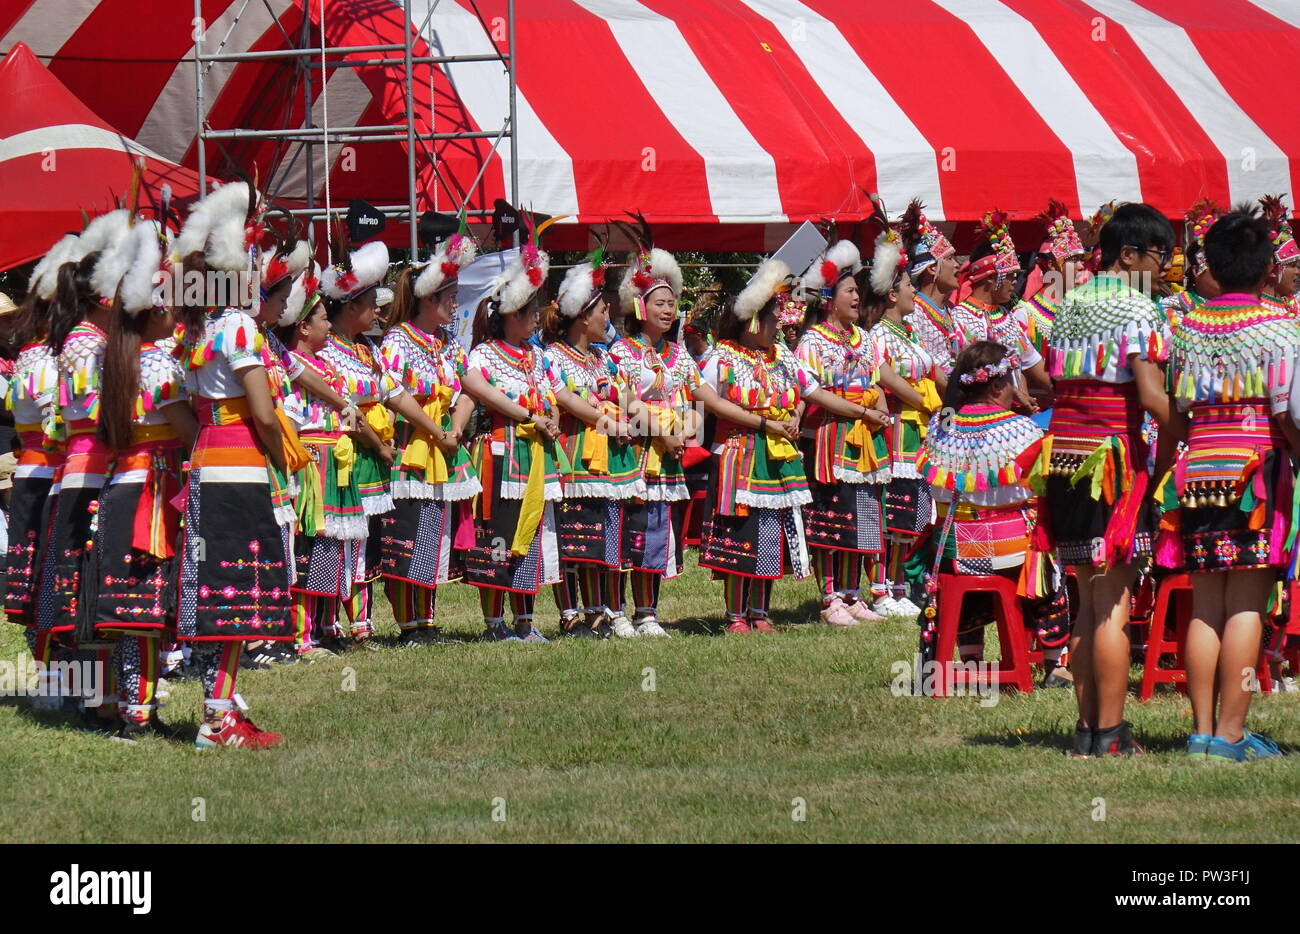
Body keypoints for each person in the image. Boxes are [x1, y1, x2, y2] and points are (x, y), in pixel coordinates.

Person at [1162, 208, 1300, 761]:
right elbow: (1290, 410)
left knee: (1206, 603)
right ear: (1267, 267)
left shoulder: (1187, 326)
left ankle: (1201, 732)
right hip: (1254, 475)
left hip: (1197, 469)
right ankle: (1231, 734)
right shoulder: (1279, 326)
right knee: (1247, 603)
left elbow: (1177, 405)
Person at [1043, 201, 1176, 757]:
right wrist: (1184, 425)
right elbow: (1149, 397)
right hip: (1112, 465)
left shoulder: (1066, 303)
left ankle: (1085, 733)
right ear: (1129, 254)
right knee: (1114, 605)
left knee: (1086, 601)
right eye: (1160, 255)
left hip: (1063, 461)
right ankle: (1112, 734)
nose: (1167, 266)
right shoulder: (1138, 311)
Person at [172, 180, 293, 748]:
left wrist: (206, 441)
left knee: (217, 587)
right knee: (238, 590)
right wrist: (283, 455)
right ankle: (218, 720)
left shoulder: (193, 330)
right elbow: (265, 413)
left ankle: (219, 710)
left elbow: (180, 411)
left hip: (204, 461)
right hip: (240, 462)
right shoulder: (240, 327)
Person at [698, 258, 869, 632]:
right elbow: (707, 398)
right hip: (740, 456)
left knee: (770, 533)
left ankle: (760, 613)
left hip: (778, 459)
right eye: (775, 318)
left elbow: (812, 391)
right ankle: (735, 615)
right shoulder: (723, 355)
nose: (782, 325)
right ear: (756, 320)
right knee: (741, 532)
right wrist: (762, 422)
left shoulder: (784, 356)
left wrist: (801, 415)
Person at [87, 218, 198, 740]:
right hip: (151, 495)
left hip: (117, 487)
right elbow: (188, 431)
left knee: (119, 604)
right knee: (147, 608)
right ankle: (138, 711)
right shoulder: (159, 367)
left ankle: (111, 705)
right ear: (158, 312)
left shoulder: (114, 359)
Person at [319, 239, 456, 646]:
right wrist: (378, 442)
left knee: (364, 540)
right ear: (348, 306)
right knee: (338, 538)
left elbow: (393, 394)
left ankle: (361, 625)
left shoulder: (368, 351)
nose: (378, 311)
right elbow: (343, 407)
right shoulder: (326, 351)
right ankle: (327, 626)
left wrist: (436, 430)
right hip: (344, 456)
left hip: (373, 457)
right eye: (369, 304)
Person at [918, 341, 1068, 674]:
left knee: (963, 579)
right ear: (998, 384)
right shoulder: (1021, 430)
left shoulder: (939, 427)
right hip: (1009, 552)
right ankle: (1054, 663)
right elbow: (1041, 487)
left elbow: (937, 488)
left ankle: (971, 661)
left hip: (951, 551)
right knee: (1050, 560)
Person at [379, 233, 482, 644]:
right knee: (410, 530)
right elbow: (392, 390)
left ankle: (426, 620)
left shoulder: (447, 343)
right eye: (450, 296)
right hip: (412, 450)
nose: (456, 303)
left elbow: (468, 386)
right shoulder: (397, 341)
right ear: (427, 298)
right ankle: (408, 623)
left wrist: (455, 427)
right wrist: (434, 429)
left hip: (443, 446)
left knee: (433, 533)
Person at [461, 242, 564, 642]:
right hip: (503, 456)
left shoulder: (537, 357)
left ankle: (525, 620)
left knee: (535, 533)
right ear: (511, 316)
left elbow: (554, 395)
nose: (537, 318)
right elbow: (474, 388)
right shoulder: (485, 355)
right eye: (531, 312)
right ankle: (493, 622)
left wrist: (551, 420)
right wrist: (529, 417)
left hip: (538, 456)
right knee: (501, 535)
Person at [795, 236, 894, 625]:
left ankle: (853, 594)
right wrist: (859, 412)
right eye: (850, 291)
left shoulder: (865, 339)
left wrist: (881, 413)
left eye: (858, 292)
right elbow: (812, 391)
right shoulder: (812, 341)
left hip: (866, 440)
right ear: (830, 299)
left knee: (863, 514)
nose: (857, 298)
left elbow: (877, 384)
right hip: (830, 438)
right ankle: (829, 597)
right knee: (832, 516)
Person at [542, 252, 641, 638]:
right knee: (575, 533)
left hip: (613, 458)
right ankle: (570, 613)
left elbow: (628, 397)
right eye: (603, 309)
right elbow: (566, 399)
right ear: (583, 317)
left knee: (607, 534)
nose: (608, 315)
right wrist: (607, 421)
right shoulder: (553, 357)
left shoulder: (605, 359)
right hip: (576, 457)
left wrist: (656, 423)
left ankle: (602, 611)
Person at [279, 268, 365, 660]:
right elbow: (293, 419)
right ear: (302, 327)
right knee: (310, 544)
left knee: (332, 544)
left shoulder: (324, 364)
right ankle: (300, 635)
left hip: (337, 458)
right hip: (313, 460)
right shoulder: (293, 365)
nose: (330, 324)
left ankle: (323, 627)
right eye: (323, 318)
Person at [4, 233, 74, 705]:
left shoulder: (33, 356)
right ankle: (50, 679)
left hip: (39, 473)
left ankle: (56, 676)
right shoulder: (46, 358)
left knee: (46, 578)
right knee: (50, 577)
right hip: (48, 474)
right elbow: (57, 424)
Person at [865, 224, 941, 621]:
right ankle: (881, 588)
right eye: (910, 286)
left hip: (918, 433)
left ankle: (898, 585)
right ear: (892, 294)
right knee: (890, 512)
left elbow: (933, 372)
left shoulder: (910, 334)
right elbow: (881, 375)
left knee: (910, 514)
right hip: (895, 429)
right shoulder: (879, 334)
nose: (915, 291)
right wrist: (921, 400)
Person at [951, 211, 1051, 409]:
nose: (1015, 281)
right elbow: (966, 373)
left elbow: (1033, 363)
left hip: (1010, 416)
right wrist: (1016, 393)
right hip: (977, 416)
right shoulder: (959, 319)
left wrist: (1070, 392)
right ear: (990, 278)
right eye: (1010, 275)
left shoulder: (1007, 317)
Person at [1019, 200, 1088, 357]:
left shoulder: (1085, 307)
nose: (1081, 266)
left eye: (1081, 259)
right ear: (1051, 265)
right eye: (1073, 260)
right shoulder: (1027, 315)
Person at [899, 200, 960, 377]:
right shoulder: (912, 313)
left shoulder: (949, 310)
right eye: (949, 259)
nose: (957, 265)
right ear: (932, 268)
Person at [1160, 201, 1222, 330]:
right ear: (1196, 271)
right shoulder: (1173, 306)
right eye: (1217, 268)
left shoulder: (1241, 307)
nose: (1225, 275)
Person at [1258, 195, 1299, 318]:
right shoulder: (1257, 310)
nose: (1298, 272)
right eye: (1292, 266)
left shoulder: (1294, 303)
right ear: (1272, 270)